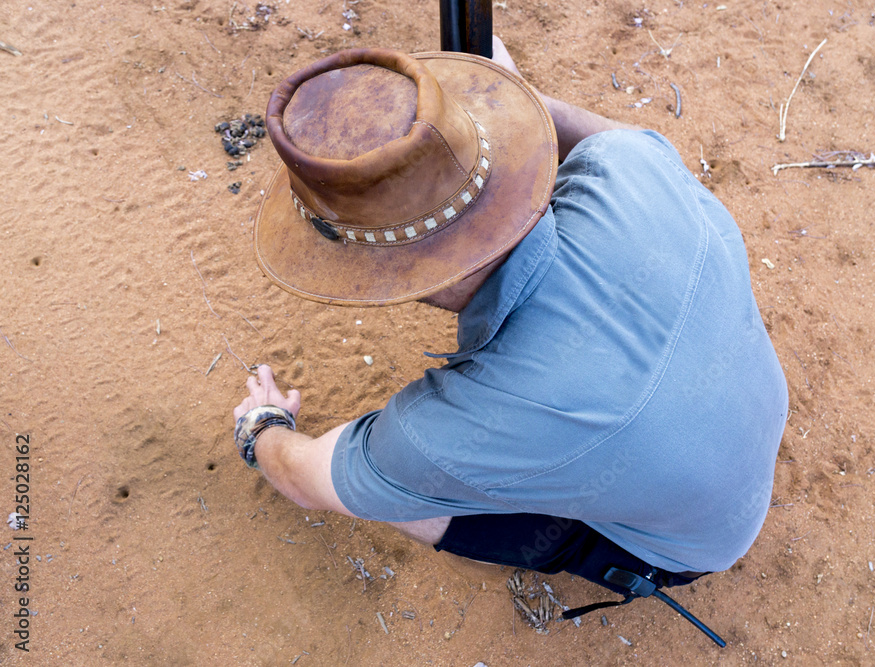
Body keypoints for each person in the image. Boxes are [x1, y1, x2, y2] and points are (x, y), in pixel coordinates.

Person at [234, 37, 788, 614]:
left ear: (372, 269)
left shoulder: (449, 430)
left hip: (691, 549)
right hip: (753, 416)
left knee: (405, 495)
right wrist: (503, 103)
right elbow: (593, 138)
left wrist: (262, 429)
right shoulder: (631, 163)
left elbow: (306, 480)